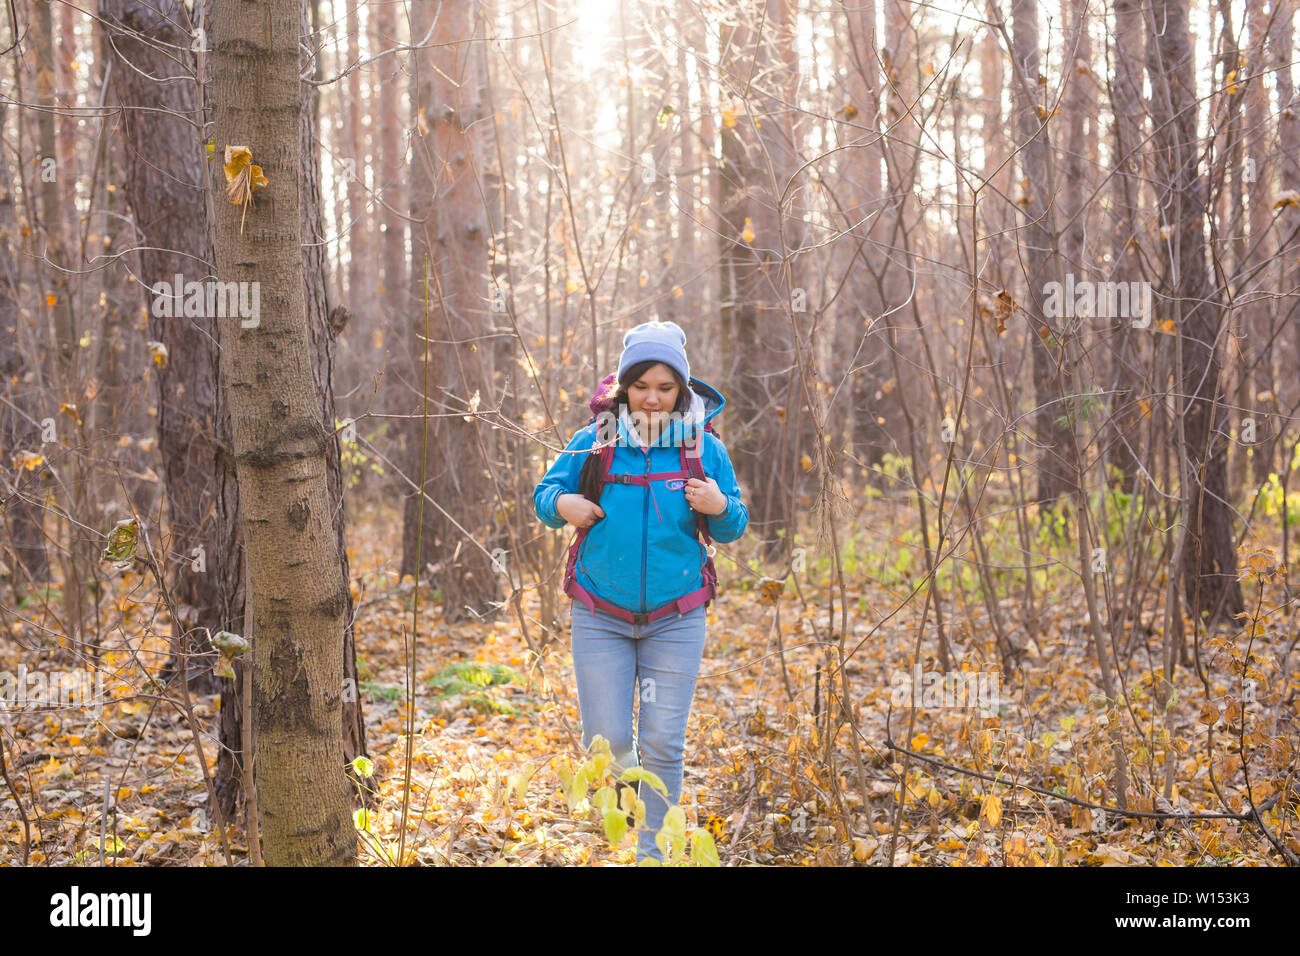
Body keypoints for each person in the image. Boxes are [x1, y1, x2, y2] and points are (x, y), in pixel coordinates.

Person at [532, 320, 749, 863]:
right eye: (641, 385)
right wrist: (563, 506)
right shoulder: (597, 441)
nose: (652, 398)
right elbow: (545, 491)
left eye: (665, 387)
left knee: (663, 744)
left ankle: (655, 854)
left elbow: (735, 524)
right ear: (624, 388)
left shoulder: (704, 448)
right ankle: (627, 797)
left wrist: (718, 507)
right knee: (604, 743)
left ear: (682, 390)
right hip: (600, 612)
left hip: (676, 617)